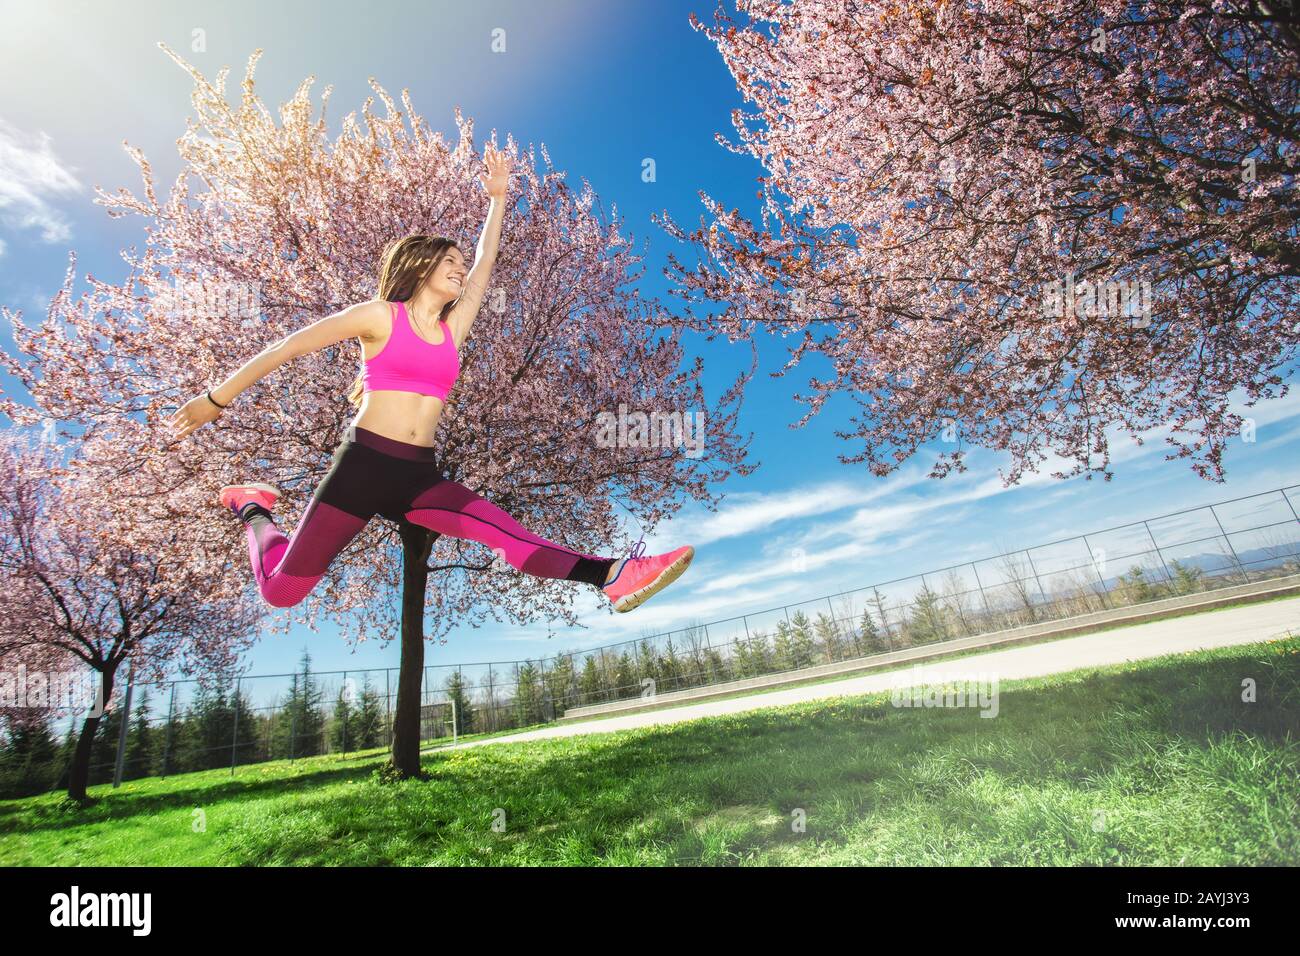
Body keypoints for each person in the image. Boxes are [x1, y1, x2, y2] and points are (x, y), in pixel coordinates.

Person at [165, 145, 692, 614]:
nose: (460, 270)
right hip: (363, 467)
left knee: (508, 536)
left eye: (460, 264)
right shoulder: (379, 317)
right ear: (420, 267)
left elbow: (488, 262)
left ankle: (614, 575)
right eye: (450, 262)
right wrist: (217, 398)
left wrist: (498, 200)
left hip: (420, 476)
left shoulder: (451, 331)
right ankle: (254, 506)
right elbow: (290, 345)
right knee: (282, 592)